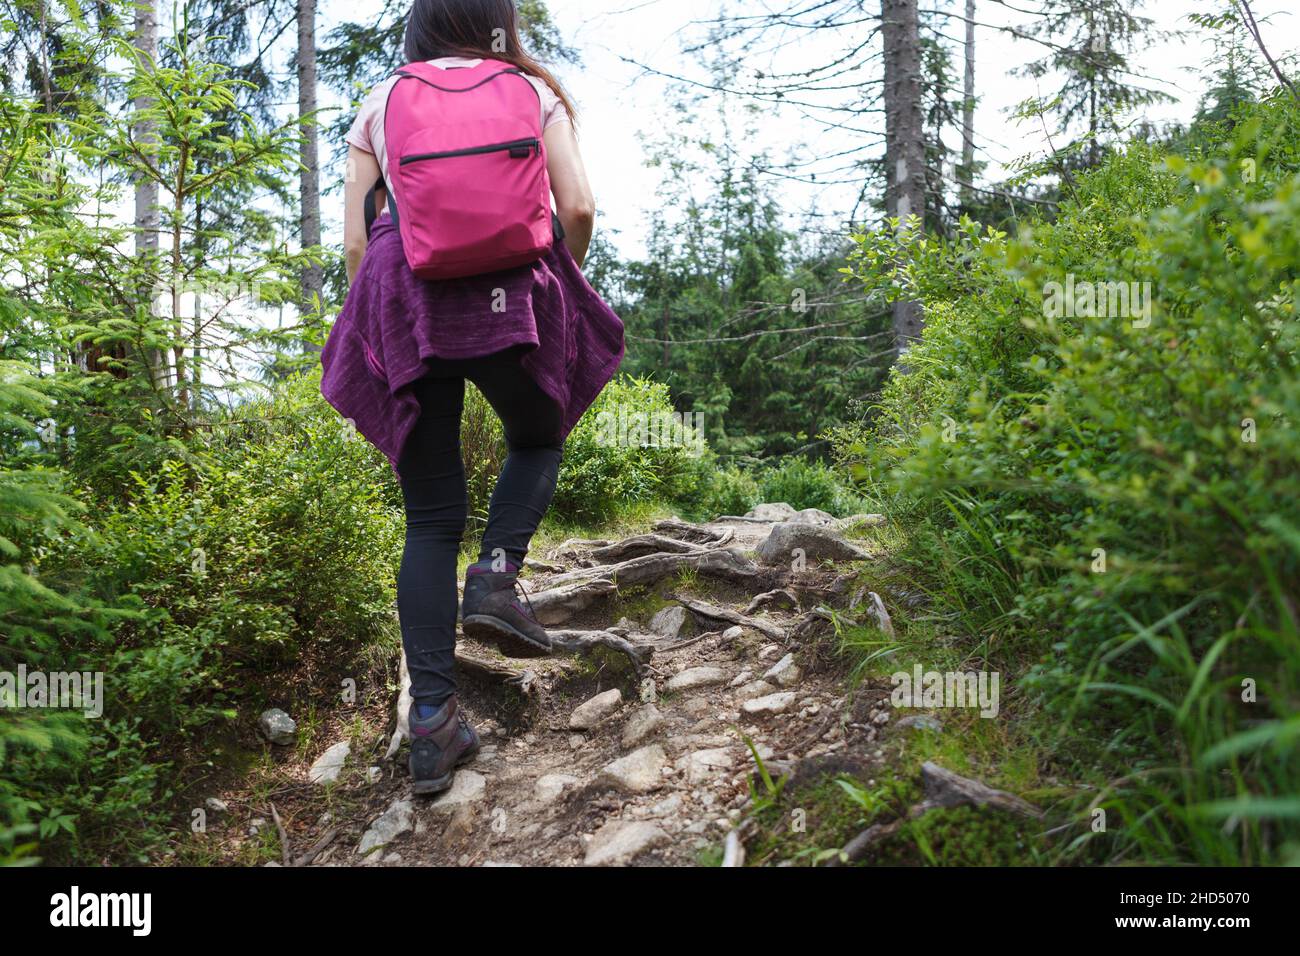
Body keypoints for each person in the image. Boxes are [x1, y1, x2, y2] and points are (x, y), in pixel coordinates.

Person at [322, 0, 625, 795]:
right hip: (509, 291)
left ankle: (432, 723)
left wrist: (382, 319)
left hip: (404, 292)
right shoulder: (532, 92)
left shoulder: (382, 101)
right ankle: (496, 575)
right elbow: (580, 208)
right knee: (537, 436)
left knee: (428, 518)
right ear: (498, 21)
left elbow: (357, 239)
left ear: (420, 27)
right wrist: (555, 281)